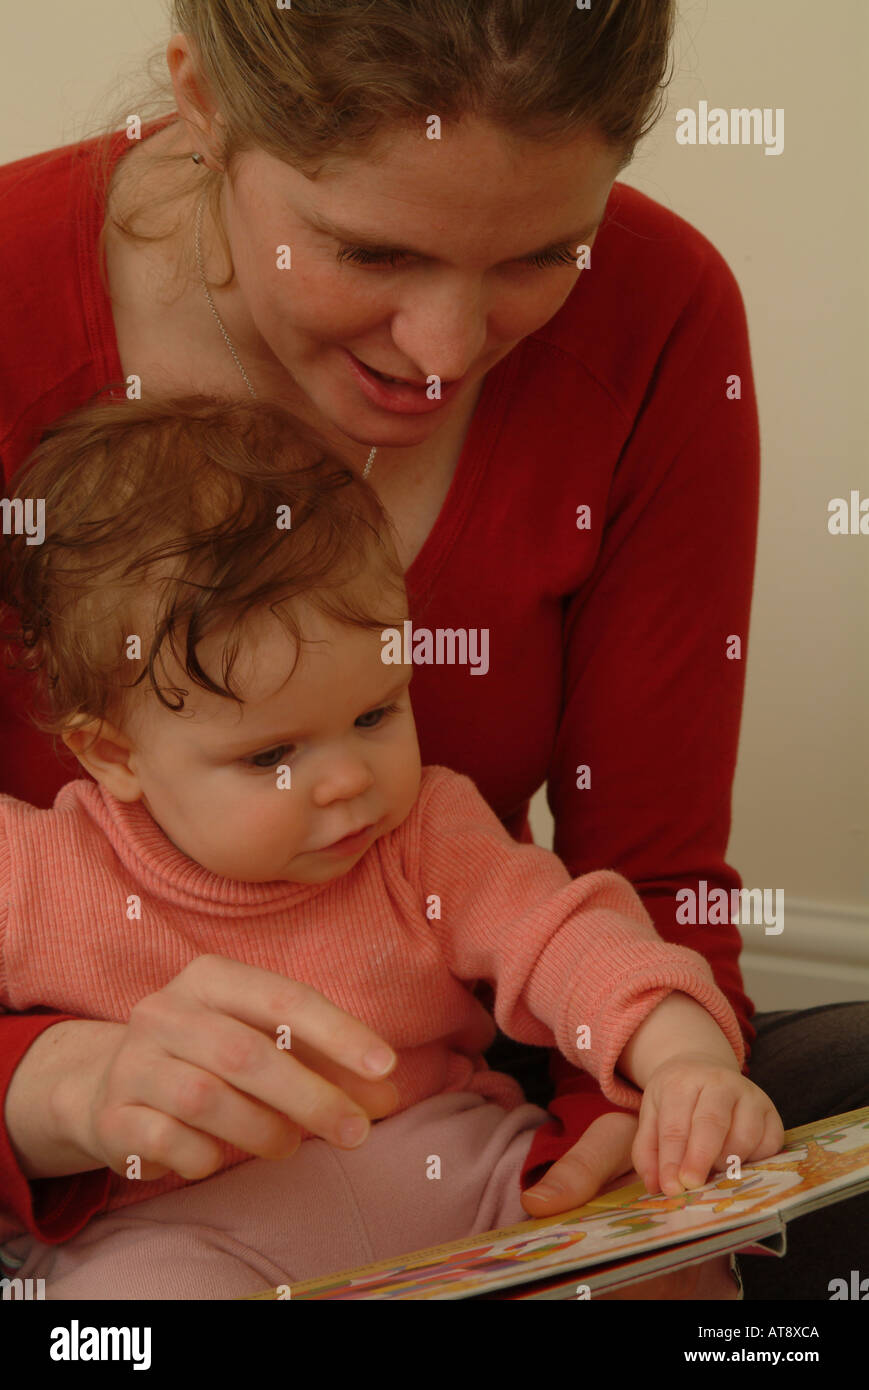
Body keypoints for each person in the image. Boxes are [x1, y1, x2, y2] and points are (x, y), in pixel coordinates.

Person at [0, 0, 865, 1301]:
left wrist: (656, 1092)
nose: (445, 353)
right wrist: (46, 1088)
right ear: (203, 106)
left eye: (543, 252)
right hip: (117, 1196)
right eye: (367, 248)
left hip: (464, 1141)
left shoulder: (430, 838)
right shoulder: (51, 874)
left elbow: (629, 895)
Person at [0, 392, 781, 1299]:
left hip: (463, 1182)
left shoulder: (424, 834)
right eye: (272, 754)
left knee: (669, 1260)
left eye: (376, 712)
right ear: (114, 753)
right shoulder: (36, 870)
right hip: (176, 1228)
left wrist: (683, 1058)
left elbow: (572, 941)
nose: (346, 781)